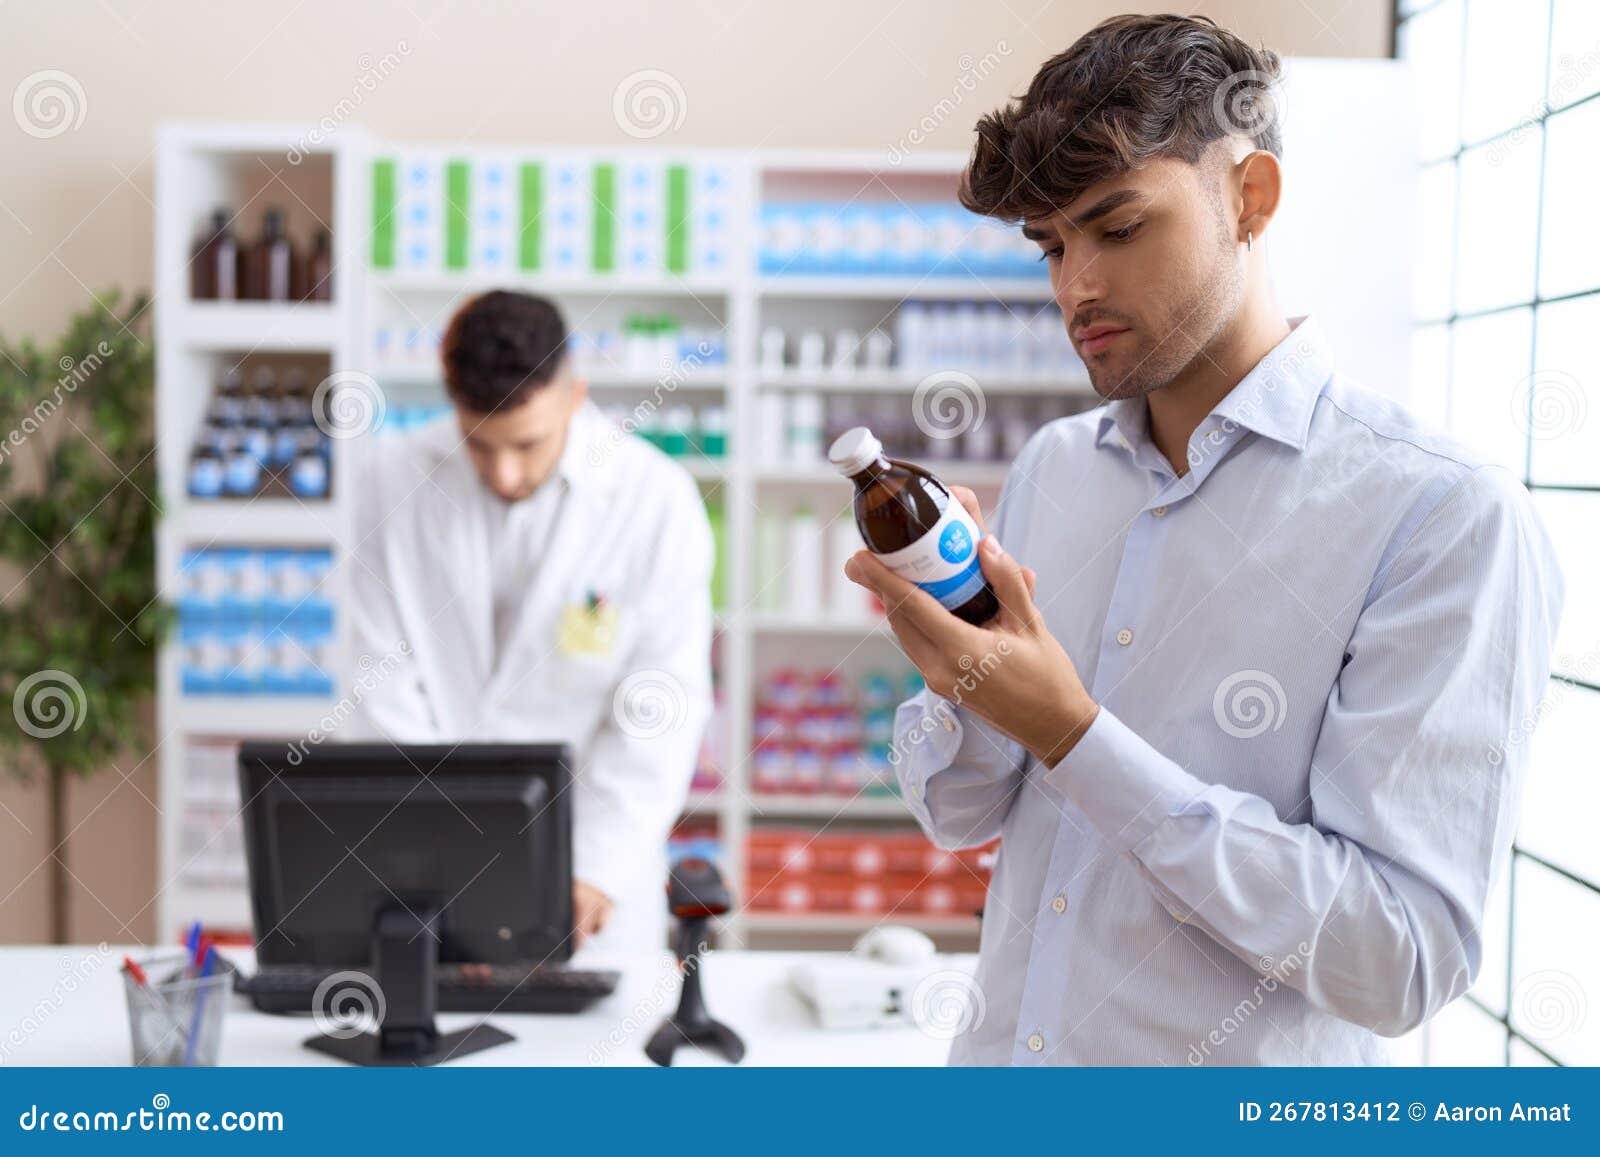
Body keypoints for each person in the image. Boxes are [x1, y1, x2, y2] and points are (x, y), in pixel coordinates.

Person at [845, 14, 1564, 1065]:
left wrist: (1074, 735)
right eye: (1053, 246)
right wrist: (963, 678)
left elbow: (1397, 959)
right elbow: (959, 813)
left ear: (1250, 197)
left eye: (1118, 227)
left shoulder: (1441, 516)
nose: (1075, 287)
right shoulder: (1056, 467)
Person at [351, 290, 713, 955]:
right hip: (430, 865)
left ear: (575, 394)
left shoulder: (655, 499)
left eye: (526, 443)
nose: (505, 472)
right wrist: (440, 847)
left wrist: (596, 865)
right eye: (479, 444)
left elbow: (662, 704)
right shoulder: (390, 479)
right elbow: (380, 677)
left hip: (590, 872)